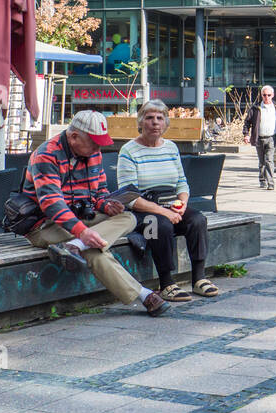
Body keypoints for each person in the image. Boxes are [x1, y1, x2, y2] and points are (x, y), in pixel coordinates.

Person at [19, 111, 169, 317]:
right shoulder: (46, 155)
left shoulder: (92, 154)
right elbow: (52, 205)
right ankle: (144, 295)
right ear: (74, 137)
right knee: (93, 249)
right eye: (94, 143)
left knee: (128, 216)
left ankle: (75, 246)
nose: (99, 149)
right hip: (44, 226)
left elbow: (99, 193)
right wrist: (83, 232)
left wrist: (107, 206)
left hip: (79, 220)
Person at [119, 100, 217, 303]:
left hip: (170, 204)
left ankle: (199, 278)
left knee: (197, 219)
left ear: (165, 123)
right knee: (159, 225)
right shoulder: (129, 151)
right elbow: (129, 197)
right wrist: (165, 213)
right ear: (141, 122)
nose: (155, 122)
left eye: (159, 118)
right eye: (149, 118)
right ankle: (166, 283)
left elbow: (182, 182)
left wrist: (181, 203)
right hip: (140, 212)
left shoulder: (171, 148)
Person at [243, 85, 276, 190]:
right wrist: (246, 134)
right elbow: (247, 122)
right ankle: (262, 180)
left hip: (272, 138)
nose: (266, 97)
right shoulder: (255, 108)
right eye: (264, 95)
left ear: (273, 95)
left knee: (269, 160)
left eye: (269, 95)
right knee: (262, 161)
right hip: (259, 138)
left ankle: (271, 182)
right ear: (261, 95)